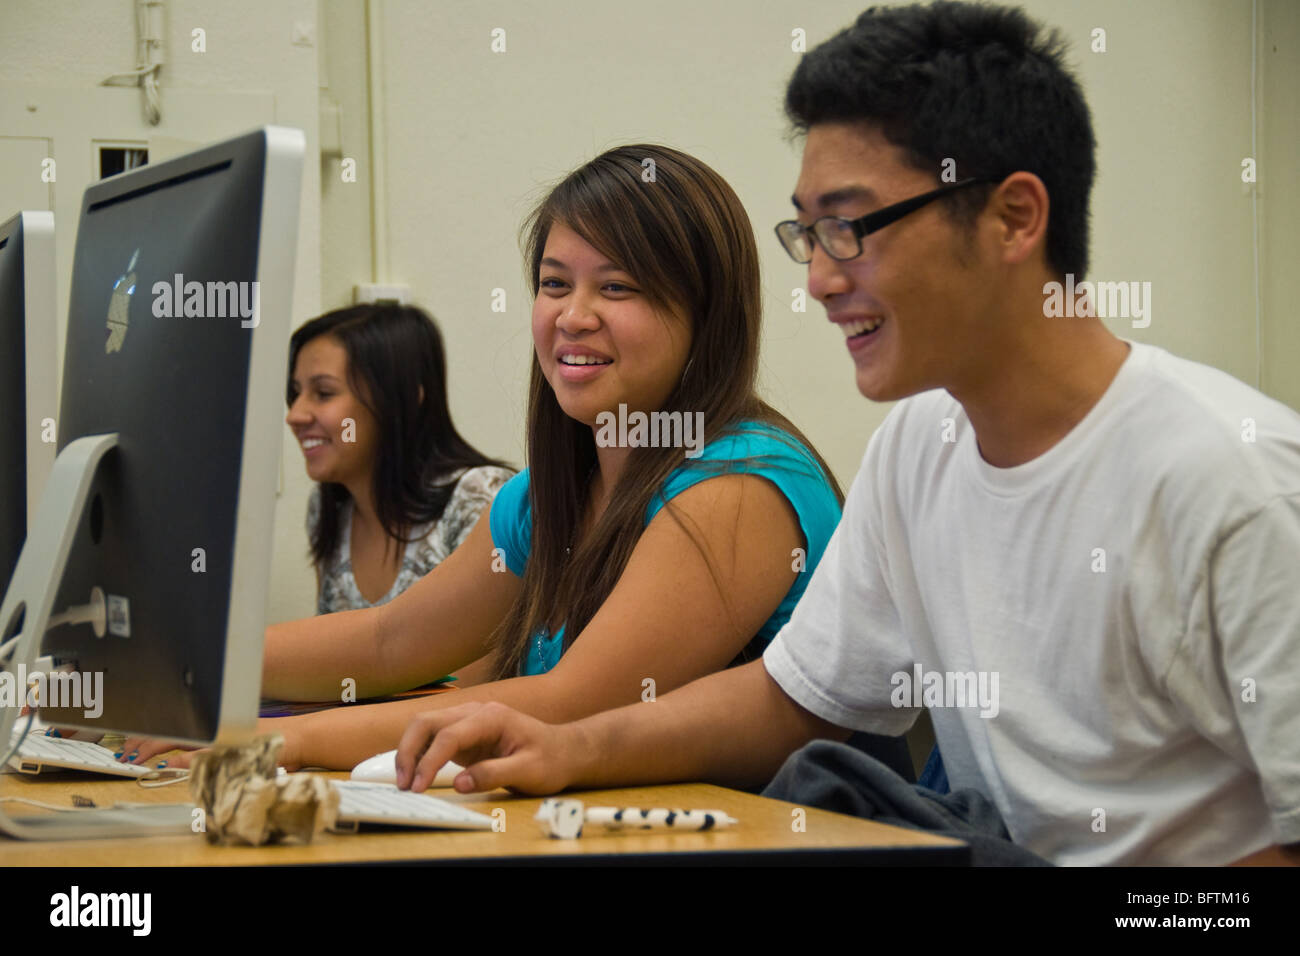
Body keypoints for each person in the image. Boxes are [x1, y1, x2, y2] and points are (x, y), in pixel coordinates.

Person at [391, 1, 1300, 867]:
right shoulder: (919, 446)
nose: (821, 280)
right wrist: (568, 748)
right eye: (809, 234)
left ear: (1014, 217)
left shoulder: (1235, 480)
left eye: (850, 229)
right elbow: (797, 699)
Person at [123, 144, 843, 772]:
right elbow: (389, 640)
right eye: (555, 283)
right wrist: (174, 666)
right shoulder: (545, 497)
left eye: (616, 286)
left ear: (706, 314)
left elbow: (573, 704)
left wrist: (277, 739)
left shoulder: (740, 485)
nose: (572, 314)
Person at [286, 304, 514, 618]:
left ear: (402, 400)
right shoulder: (328, 510)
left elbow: (489, 661)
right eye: (296, 393)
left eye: (324, 393)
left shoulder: (478, 497)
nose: (294, 415)